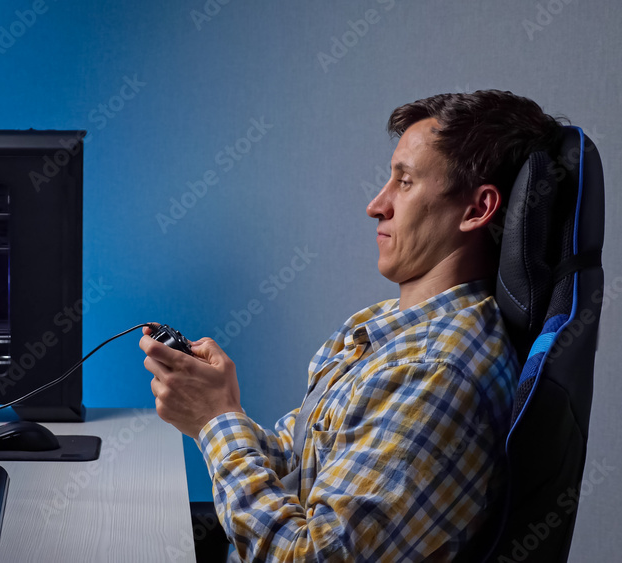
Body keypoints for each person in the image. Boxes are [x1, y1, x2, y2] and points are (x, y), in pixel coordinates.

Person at [140, 90, 564, 561]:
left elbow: (309, 555)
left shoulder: (437, 372)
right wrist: (219, 411)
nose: (376, 205)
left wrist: (216, 420)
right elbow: (302, 468)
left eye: (404, 182)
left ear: (476, 210)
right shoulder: (384, 325)